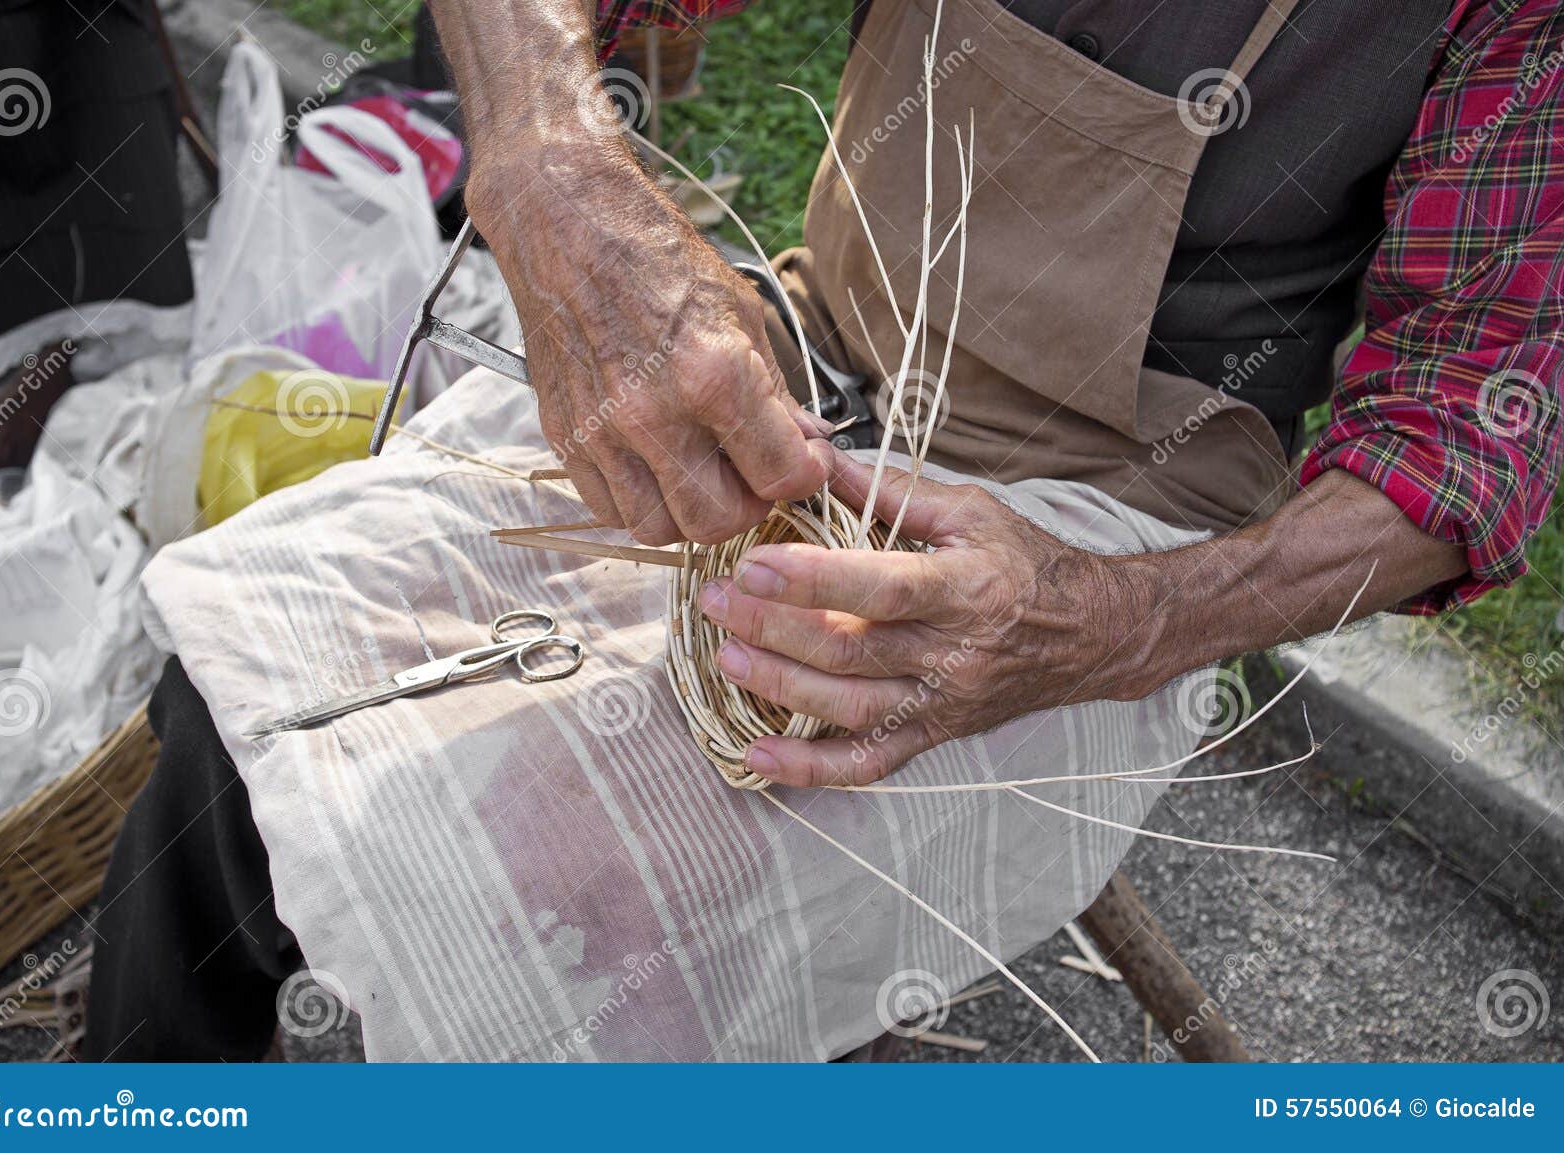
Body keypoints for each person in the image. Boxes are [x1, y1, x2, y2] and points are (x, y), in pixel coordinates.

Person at [87, 0, 1562, 1059]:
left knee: (576, 873)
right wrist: (550, 164)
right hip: (805, 359)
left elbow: (1463, 444)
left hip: (1103, 533)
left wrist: (1110, 621)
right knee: (243, 685)